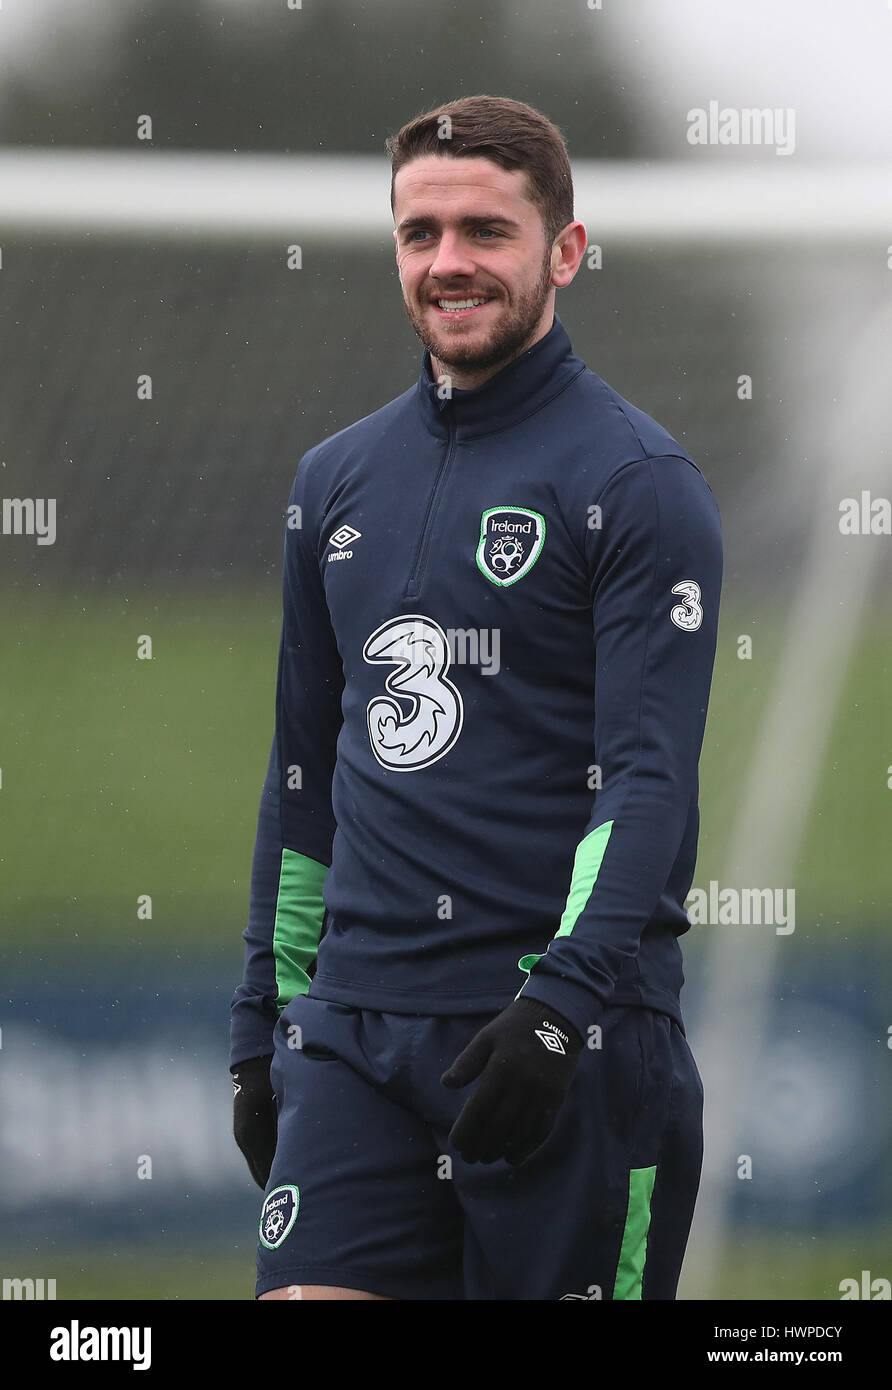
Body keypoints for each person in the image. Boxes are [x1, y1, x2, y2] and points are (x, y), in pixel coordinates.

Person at [230, 94, 722, 1301]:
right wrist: (264, 1021)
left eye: (486, 232)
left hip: (564, 1038)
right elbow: (302, 779)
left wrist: (561, 1004)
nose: (448, 261)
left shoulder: (637, 482)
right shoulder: (333, 482)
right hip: (357, 1030)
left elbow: (648, 780)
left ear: (564, 251)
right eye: (419, 231)